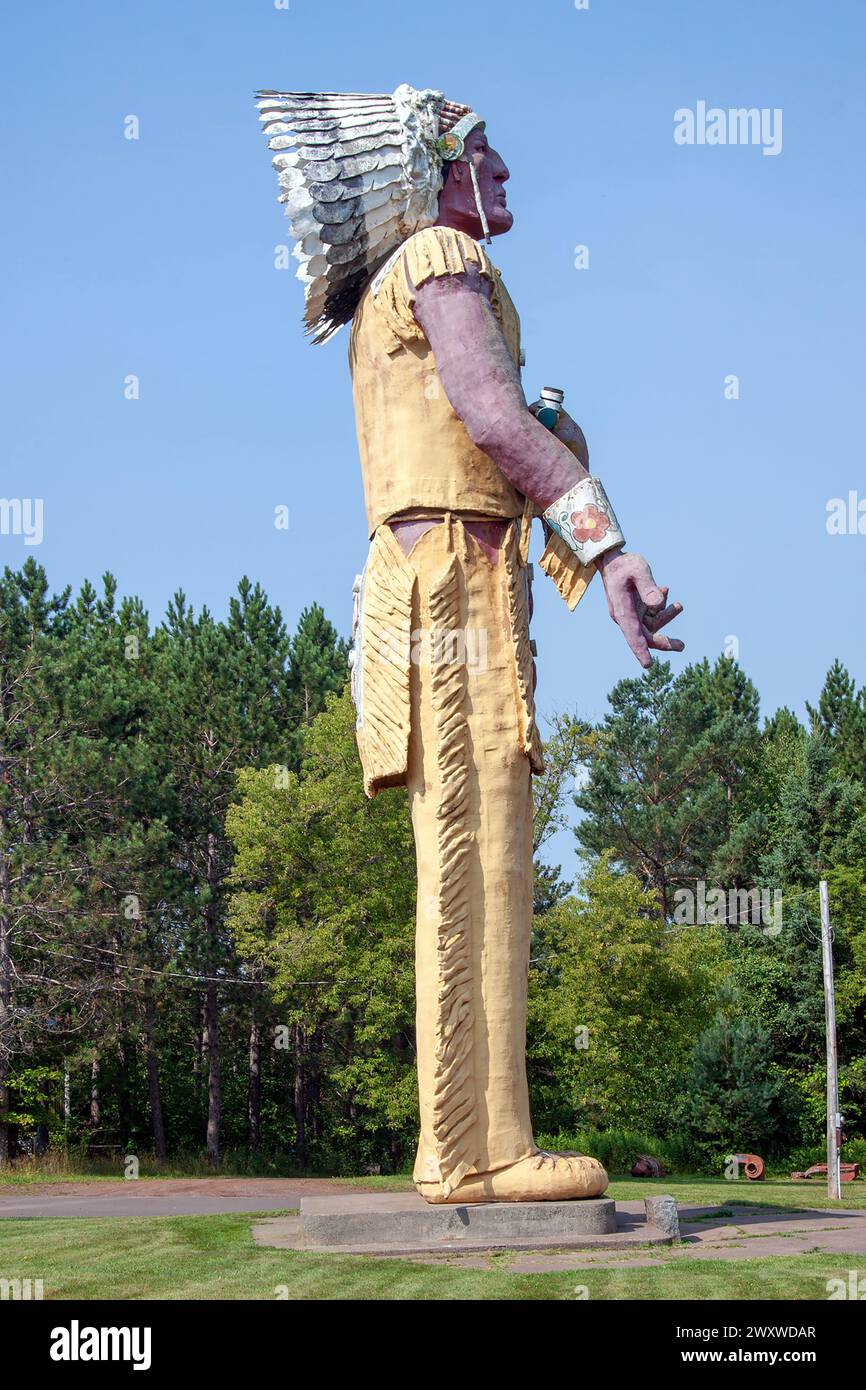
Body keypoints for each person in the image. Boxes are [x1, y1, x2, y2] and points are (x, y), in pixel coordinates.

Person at [257, 85, 684, 1203]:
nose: (501, 177)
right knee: (465, 861)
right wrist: (605, 542)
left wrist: (562, 464)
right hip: (446, 582)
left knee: (494, 858)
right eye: (483, 157)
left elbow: (497, 428)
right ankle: (464, 1152)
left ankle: (494, 1141)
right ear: (434, 174)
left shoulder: (425, 273)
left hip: (471, 575)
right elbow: (490, 418)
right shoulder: (441, 256)